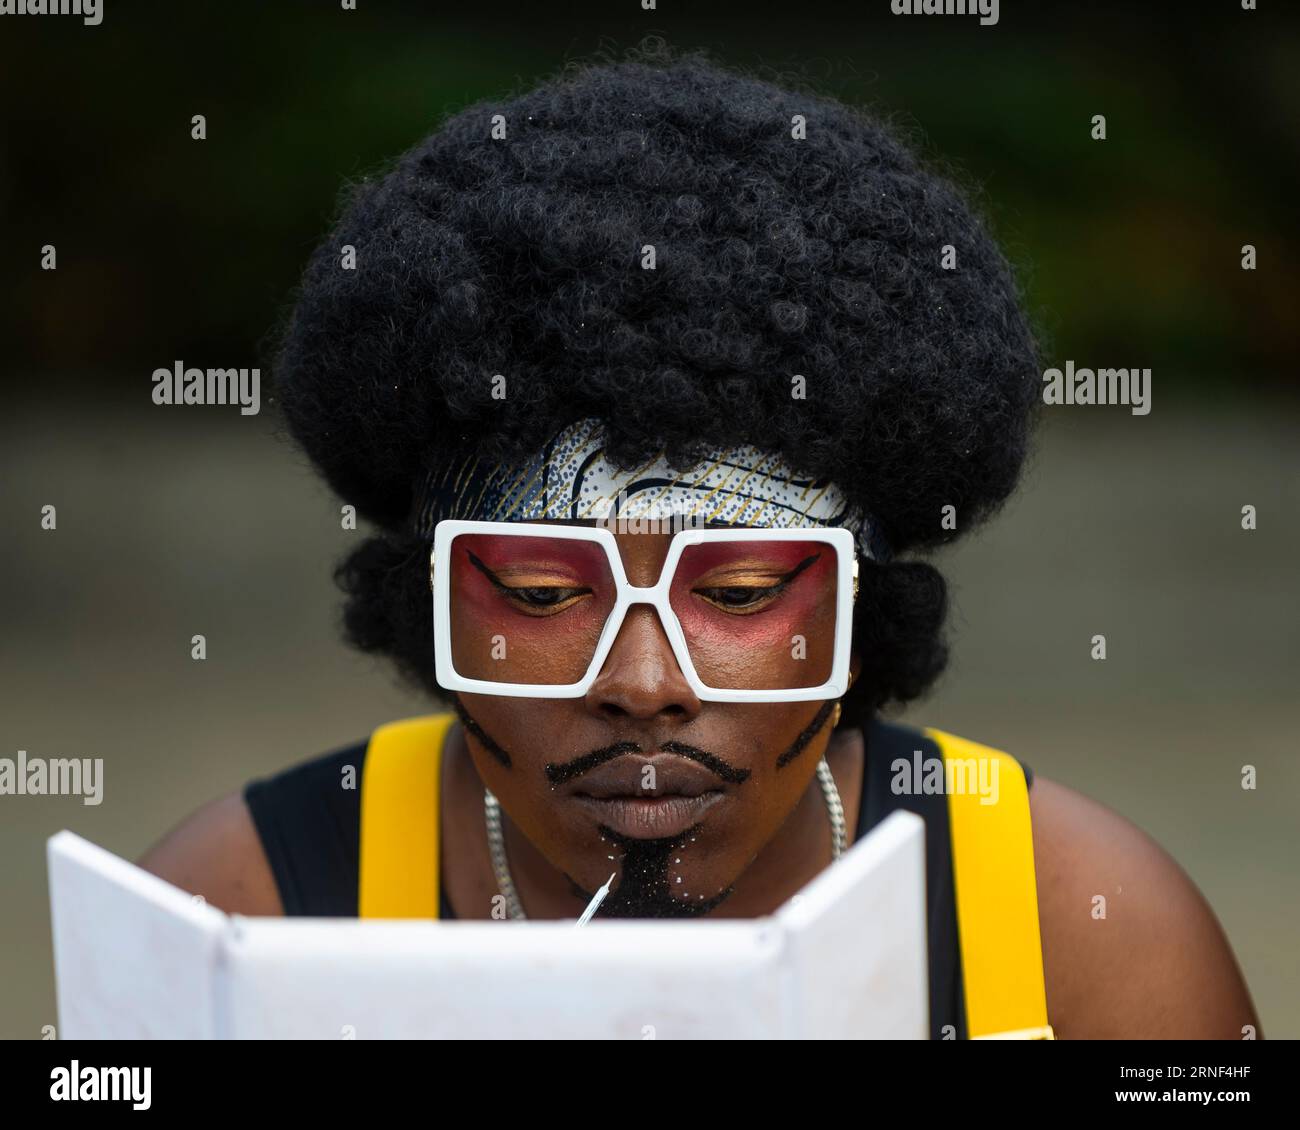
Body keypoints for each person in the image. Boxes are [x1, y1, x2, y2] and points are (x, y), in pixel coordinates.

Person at [139, 40, 1259, 1040]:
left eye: (735, 588)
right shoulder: (241, 913)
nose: (643, 681)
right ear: (427, 605)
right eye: (537, 590)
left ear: (859, 621)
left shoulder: (1079, 935)